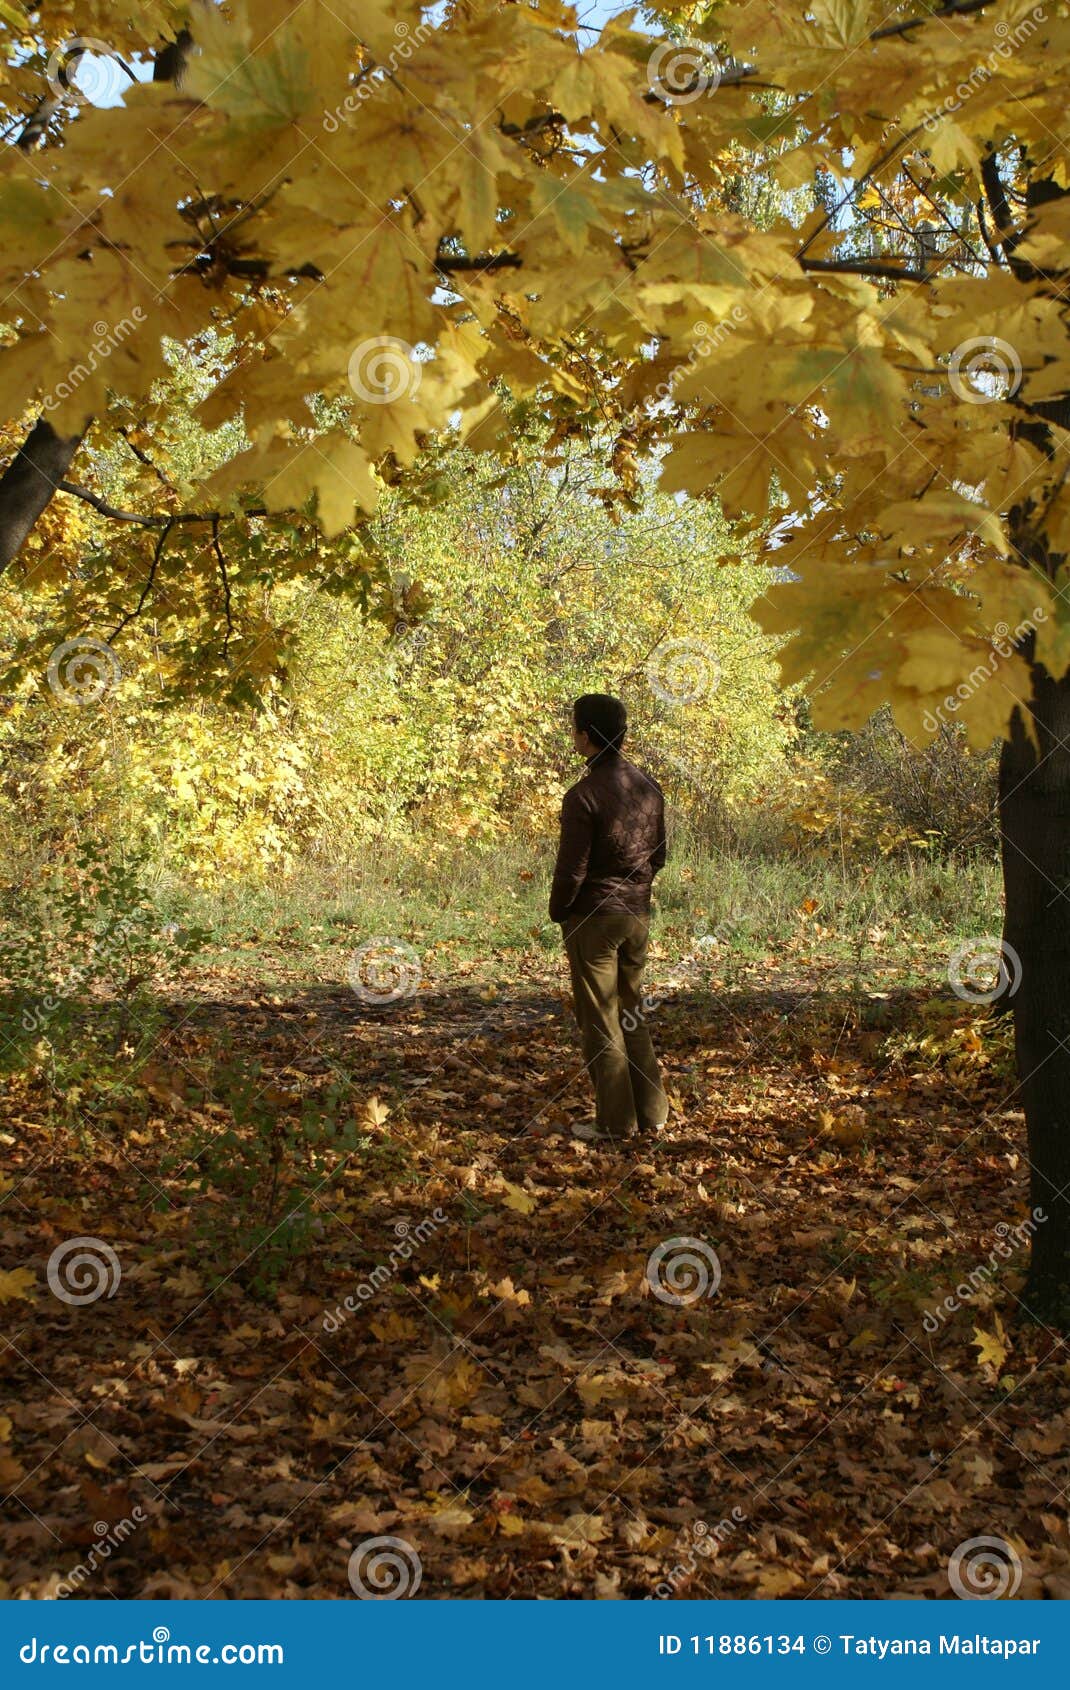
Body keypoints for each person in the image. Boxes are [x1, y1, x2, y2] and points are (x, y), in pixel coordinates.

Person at [549, 693, 669, 1141]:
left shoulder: (582, 796)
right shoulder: (647, 786)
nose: (572, 733)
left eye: (574, 726)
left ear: (586, 735)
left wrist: (560, 912)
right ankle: (653, 1112)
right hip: (636, 916)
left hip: (593, 919)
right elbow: (659, 855)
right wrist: (635, 889)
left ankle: (616, 1124)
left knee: (600, 1019)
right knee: (631, 1012)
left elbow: (572, 870)